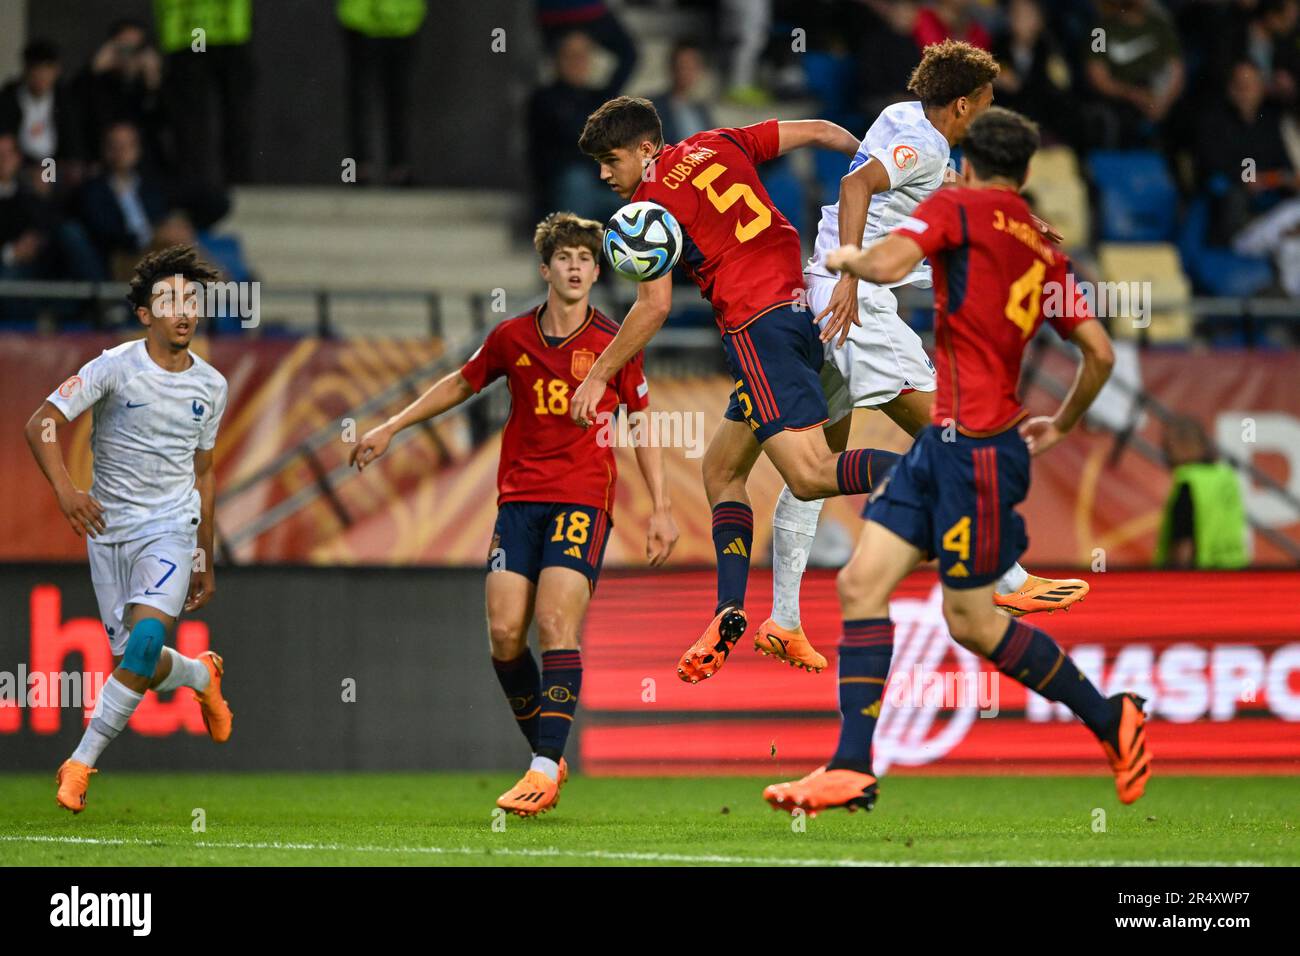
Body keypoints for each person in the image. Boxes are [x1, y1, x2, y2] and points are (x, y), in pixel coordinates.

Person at [762, 107, 1150, 815]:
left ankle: (1108, 715)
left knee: (971, 622)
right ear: (1028, 174)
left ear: (967, 163)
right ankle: (852, 767)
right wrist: (1063, 422)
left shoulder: (956, 208)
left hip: (972, 453)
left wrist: (841, 263)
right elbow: (1099, 351)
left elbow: (888, 261)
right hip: (957, 444)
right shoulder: (1043, 247)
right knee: (860, 586)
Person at [759, 40, 1087, 676]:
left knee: (816, 464)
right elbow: (857, 184)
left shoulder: (907, 119)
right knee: (957, 429)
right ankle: (1005, 575)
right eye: (986, 106)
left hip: (826, 294)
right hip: (856, 303)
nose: (987, 117)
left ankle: (784, 618)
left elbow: (939, 185)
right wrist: (854, 274)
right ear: (962, 103)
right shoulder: (927, 142)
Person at [349, 213, 678, 817]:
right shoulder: (511, 337)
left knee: (555, 621)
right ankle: (546, 754)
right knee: (504, 636)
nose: (576, 267)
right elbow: (461, 382)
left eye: (586, 258)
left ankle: (543, 767)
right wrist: (392, 426)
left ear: (598, 269)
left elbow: (641, 420)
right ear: (545, 268)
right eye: (566, 258)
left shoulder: (615, 341)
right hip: (519, 500)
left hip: (582, 496)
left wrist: (660, 506)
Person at [573, 96, 894, 685]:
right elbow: (826, 129)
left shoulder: (650, 204)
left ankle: (931, 472)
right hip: (803, 308)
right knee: (721, 471)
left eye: (609, 159)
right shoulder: (720, 142)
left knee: (810, 473)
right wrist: (884, 176)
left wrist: (598, 373)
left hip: (757, 326)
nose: (602, 174)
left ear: (646, 151)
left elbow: (654, 307)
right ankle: (729, 608)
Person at [23, 245, 233, 813]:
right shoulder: (113, 366)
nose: (183, 310)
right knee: (136, 661)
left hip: (169, 528)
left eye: (191, 299)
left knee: (141, 644)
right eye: (168, 300)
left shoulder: (211, 387)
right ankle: (198, 673)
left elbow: (205, 472)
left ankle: (80, 764)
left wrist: (203, 556)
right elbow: (40, 423)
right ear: (145, 314)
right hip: (108, 531)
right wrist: (68, 492)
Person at [337, 0, 427, 186]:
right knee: (362, 97)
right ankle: (360, 167)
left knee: (399, 98)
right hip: (362, 16)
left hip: (402, 18)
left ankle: (398, 167)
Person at [77, 121, 170, 278]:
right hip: (123, 258)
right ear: (105, 150)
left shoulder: (150, 187)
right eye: (115, 145)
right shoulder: (94, 191)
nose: (121, 151)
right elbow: (105, 234)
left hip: (159, 252)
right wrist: (149, 235)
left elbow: (160, 216)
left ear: (137, 150)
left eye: (127, 145)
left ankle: (217, 290)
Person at [1155, 417, 1248, 569]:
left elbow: (1183, 543)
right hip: (1235, 571)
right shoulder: (1226, 477)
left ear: (1178, 446)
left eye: (1166, 446)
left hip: (1202, 578)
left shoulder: (1188, 483)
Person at [0, 39, 83, 170]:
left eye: (47, 68)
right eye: (37, 69)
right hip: (19, 167)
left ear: (57, 70)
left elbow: (73, 141)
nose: (42, 75)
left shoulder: (65, 98)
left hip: (55, 165)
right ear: (26, 69)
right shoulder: (9, 97)